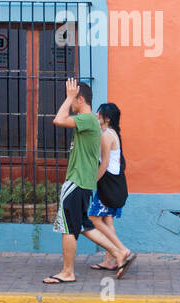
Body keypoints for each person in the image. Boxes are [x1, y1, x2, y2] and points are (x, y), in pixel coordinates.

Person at [43, 79, 126, 285]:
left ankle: (67, 272)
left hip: (76, 181)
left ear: (80, 99)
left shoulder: (88, 119)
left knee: (68, 228)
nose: (70, 104)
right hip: (83, 183)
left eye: (72, 99)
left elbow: (58, 119)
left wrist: (69, 96)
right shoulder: (88, 121)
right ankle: (119, 252)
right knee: (83, 226)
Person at [87, 102, 135, 278]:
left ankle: (121, 250)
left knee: (93, 218)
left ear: (107, 119)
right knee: (107, 220)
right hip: (115, 185)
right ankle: (109, 261)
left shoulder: (106, 135)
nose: (96, 116)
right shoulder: (114, 133)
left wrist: (92, 182)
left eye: (99, 115)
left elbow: (105, 163)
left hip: (107, 185)